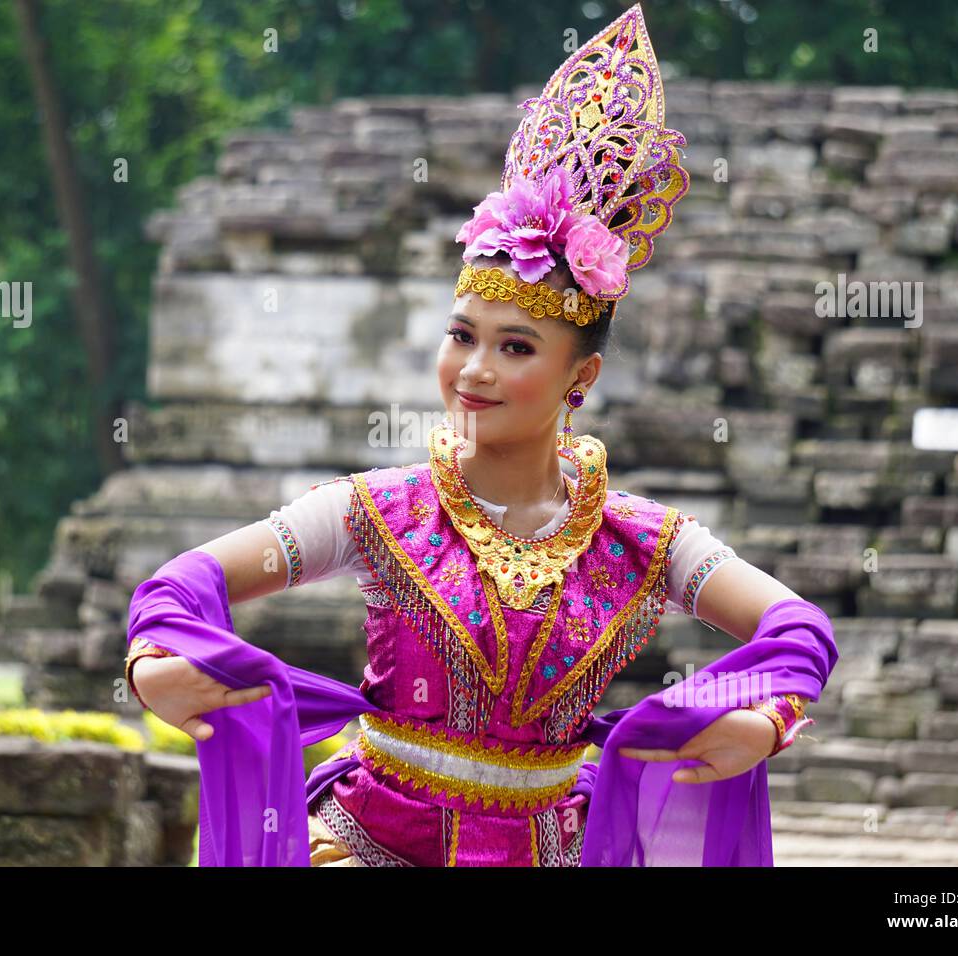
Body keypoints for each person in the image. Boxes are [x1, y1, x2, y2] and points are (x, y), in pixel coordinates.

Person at [124, 2, 837, 866]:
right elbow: (181, 585)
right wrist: (153, 662)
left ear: (581, 377)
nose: (474, 370)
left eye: (516, 348)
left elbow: (797, 630)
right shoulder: (373, 512)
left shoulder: (645, 543)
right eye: (461, 335)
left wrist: (767, 717)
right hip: (367, 846)